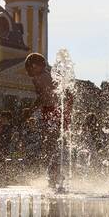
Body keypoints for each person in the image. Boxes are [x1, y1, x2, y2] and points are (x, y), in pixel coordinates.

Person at [22, 53, 72, 188]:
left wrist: (31, 110)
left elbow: (43, 96)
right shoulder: (49, 75)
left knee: (51, 143)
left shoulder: (41, 77)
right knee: (55, 143)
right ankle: (56, 174)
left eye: (28, 69)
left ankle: (55, 175)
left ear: (35, 66)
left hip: (53, 111)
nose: (28, 73)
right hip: (57, 111)